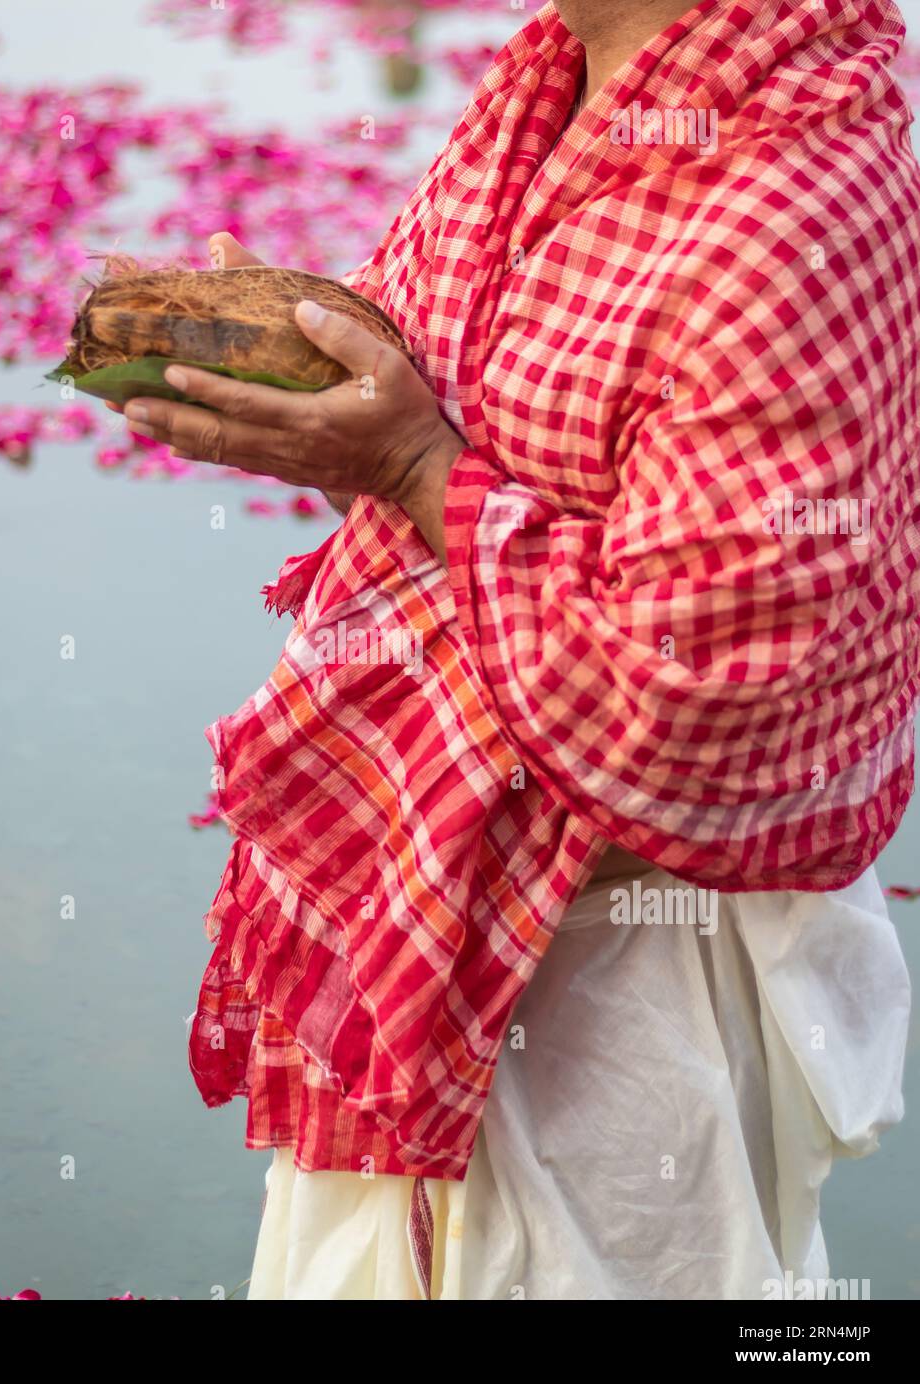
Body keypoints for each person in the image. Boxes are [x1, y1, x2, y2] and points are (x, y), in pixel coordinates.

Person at [120, 0, 918, 1298]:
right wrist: (289, 353)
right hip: (447, 908)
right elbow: (468, 387)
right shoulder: (560, 76)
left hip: (619, 963)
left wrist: (407, 463)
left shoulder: (783, 194)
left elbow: (688, 681)